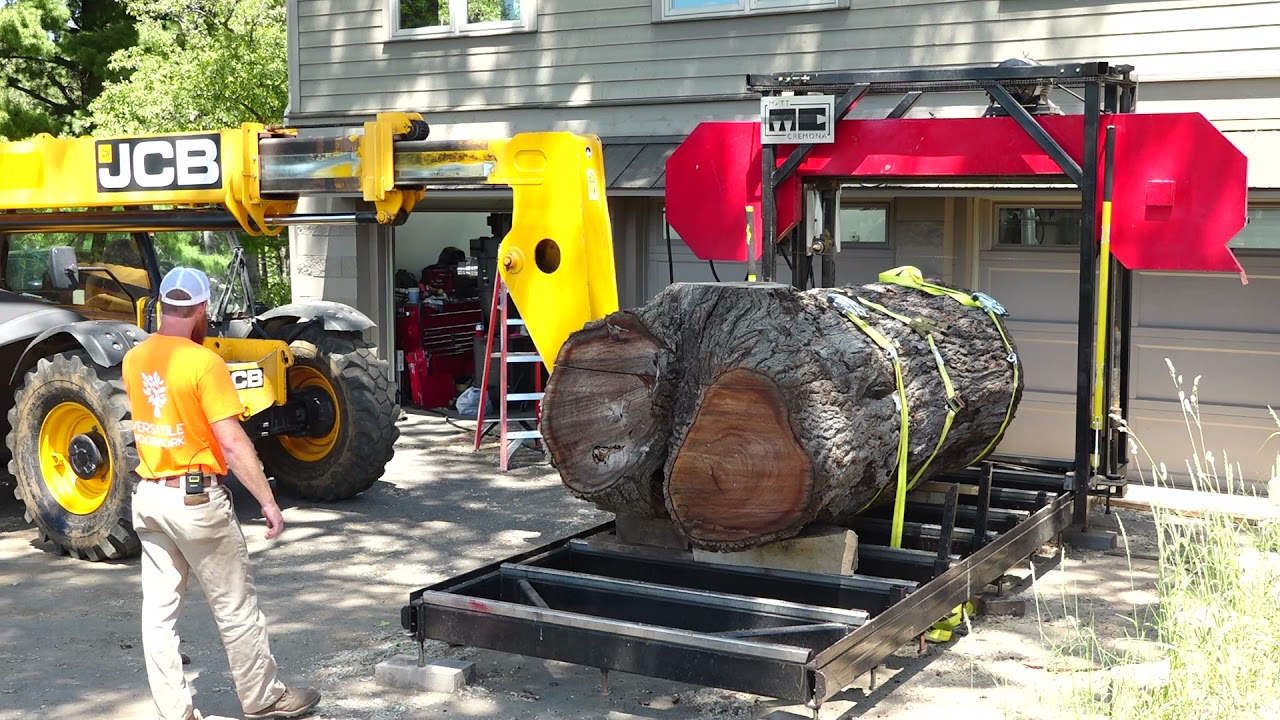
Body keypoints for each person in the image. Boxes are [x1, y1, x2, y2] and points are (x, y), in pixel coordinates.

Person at [122, 266, 321, 720]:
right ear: (200, 309)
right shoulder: (202, 362)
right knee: (234, 605)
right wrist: (268, 501)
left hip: (150, 496)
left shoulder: (135, 357)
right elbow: (232, 440)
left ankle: (175, 712)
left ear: (162, 305)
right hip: (194, 501)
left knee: (158, 614)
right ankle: (264, 698)